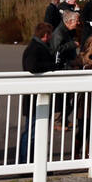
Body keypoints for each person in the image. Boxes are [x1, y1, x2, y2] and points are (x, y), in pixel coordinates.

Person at [17, 22, 57, 161]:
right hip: (34, 97)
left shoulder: (35, 46)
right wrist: (53, 66)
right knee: (32, 132)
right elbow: (32, 66)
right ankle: (25, 161)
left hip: (35, 96)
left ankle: (32, 160)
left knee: (34, 131)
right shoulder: (35, 48)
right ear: (46, 35)